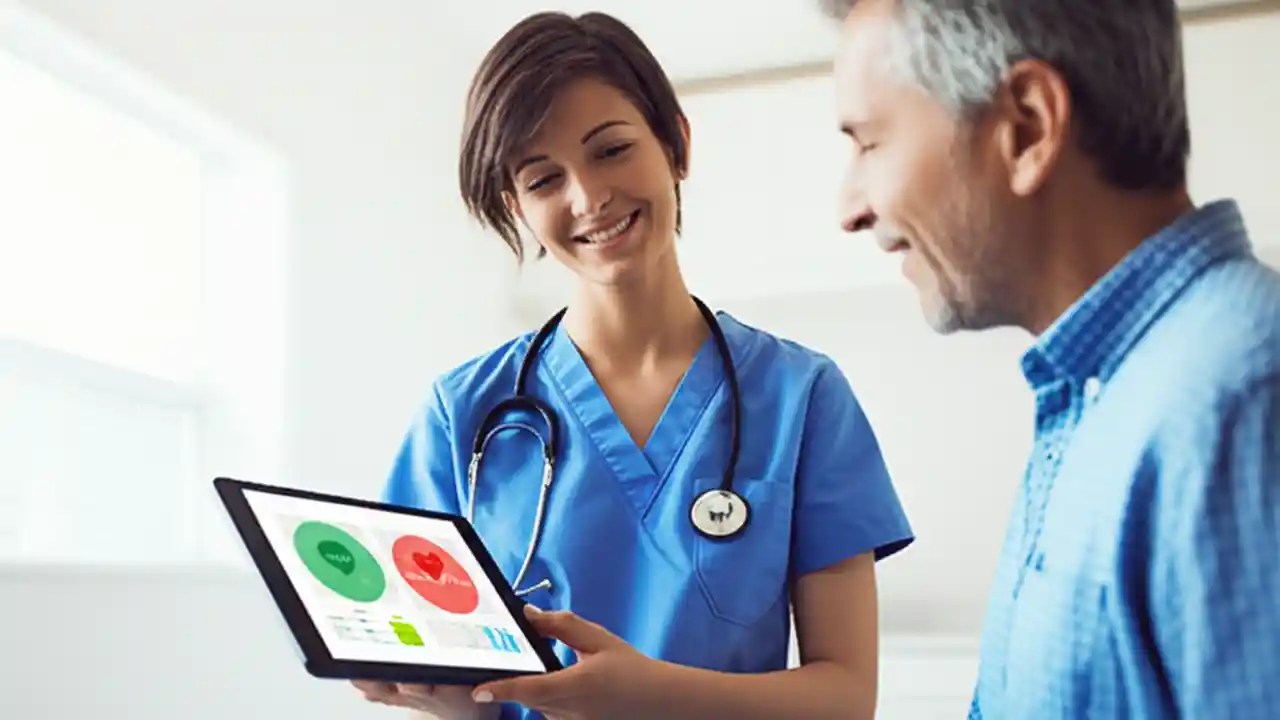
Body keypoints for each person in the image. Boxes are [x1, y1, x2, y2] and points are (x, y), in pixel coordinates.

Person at [352, 10, 914, 720]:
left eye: (612, 150)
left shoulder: (801, 397)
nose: (588, 198)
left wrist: (646, 695)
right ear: (515, 207)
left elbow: (846, 699)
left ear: (676, 144)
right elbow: (465, 688)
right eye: (544, 179)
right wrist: (458, 703)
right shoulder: (462, 414)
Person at [819, 0, 1280, 717]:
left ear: (1028, 128)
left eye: (870, 144)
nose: (850, 207)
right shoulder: (1100, 393)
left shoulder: (1238, 405)